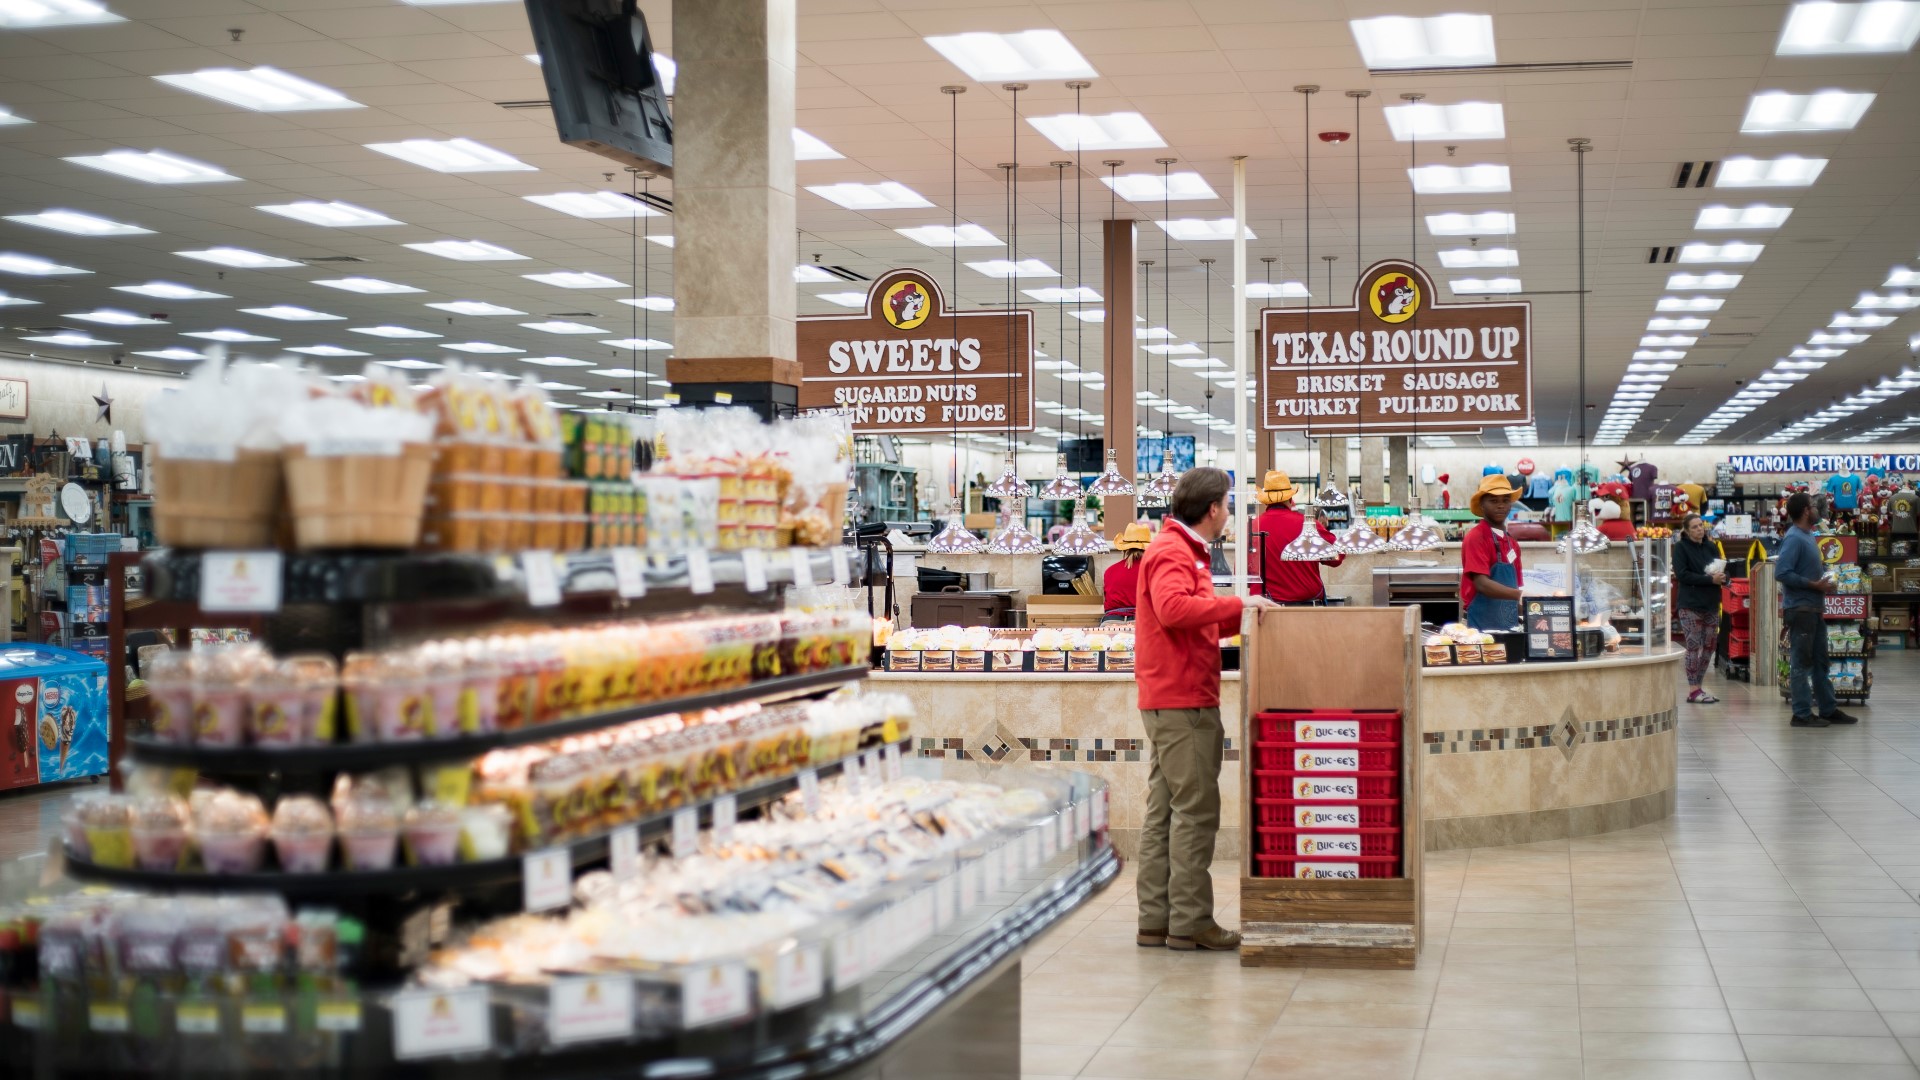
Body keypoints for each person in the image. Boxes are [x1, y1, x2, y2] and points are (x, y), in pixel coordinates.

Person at [1134, 468, 1274, 952]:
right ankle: (1191, 922)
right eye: (1228, 504)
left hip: (1169, 696)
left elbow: (1191, 623)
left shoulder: (1180, 549)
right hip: (1183, 701)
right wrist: (1237, 603)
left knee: (1164, 813)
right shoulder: (1174, 550)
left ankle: (1155, 920)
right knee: (1195, 813)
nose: (1229, 512)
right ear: (1213, 508)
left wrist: (1237, 615)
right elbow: (1173, 610)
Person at [1775, 491, 1856, 727]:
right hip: (1800, 610)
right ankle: (1800, 714)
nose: (1816, 508)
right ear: (1804, 511)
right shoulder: (1794, 538)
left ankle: (1828, 709)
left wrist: (1824, 583)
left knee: (1821, 661)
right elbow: (1781, 573)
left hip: (1813, 608)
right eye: (1812, 505)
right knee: (1801, 663)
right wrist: (1814, 584)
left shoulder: (1808, 535)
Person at [1247, 470, 1343, 605]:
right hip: (1307, 610)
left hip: (1264, 611)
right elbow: (1337, 557)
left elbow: (1242, 575)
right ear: (1291, 499)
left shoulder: (1251, 527)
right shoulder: (1309, 525)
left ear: (1266, 501)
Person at [1673, 513, 1728, 704]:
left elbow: (1718, 570)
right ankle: (1693, 688)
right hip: (1690, 604)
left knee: (1709, 647)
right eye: (1695, 527)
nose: (1699, 529)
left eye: (1700, 525)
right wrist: (1709, 579)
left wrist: (1722, 578)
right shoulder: (1681, 548)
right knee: (1693, 645)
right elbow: (1682, 575)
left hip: (1711, 604)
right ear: (1687, 531)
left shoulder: (1711, 547)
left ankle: (1699, 686)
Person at [1461, 474, 1525, 631]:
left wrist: (1538, 608)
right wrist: (1521, 595)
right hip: (1481, 629)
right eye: (1493, 501)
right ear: (1482, 505)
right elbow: (1481, 584)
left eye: (1505, 500)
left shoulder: (1513, 544)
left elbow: (1516, 591)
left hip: (1510, 628)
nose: (1501, 506)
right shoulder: (1476, 537)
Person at [1102, 521, 1151, 620]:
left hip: (1111, 622)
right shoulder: (1154, 571)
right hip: (1144, 622)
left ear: (1124, 549)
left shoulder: (1109, 571)